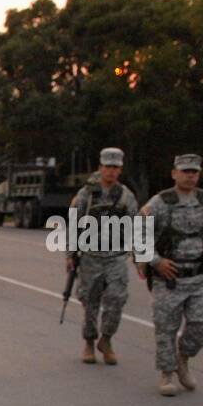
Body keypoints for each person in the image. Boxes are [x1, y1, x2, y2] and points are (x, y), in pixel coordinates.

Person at [138, 153, 203, 397]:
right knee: (166, 328)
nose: (190, 175)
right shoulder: (160, 203)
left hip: (199, 277)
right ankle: (167, 373)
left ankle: (183, 358)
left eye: (194, 172)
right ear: (174, 173)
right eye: (185, 171)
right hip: (168, 278)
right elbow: (139, 237)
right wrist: (156, 261)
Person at [68, 147, 139, 365]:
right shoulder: (86, 194)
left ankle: (106, 339)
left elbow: (137, 226)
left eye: (115, 167)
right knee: (90, 301)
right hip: (90, 256)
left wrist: (140, 257)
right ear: (100, 168)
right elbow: (74, 223)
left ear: (120, 169)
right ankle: (89, 342)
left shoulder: (126, 196)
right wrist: (71, 255)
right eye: (107, 166)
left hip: (116, 256)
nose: (111, 171)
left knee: (117, 299)